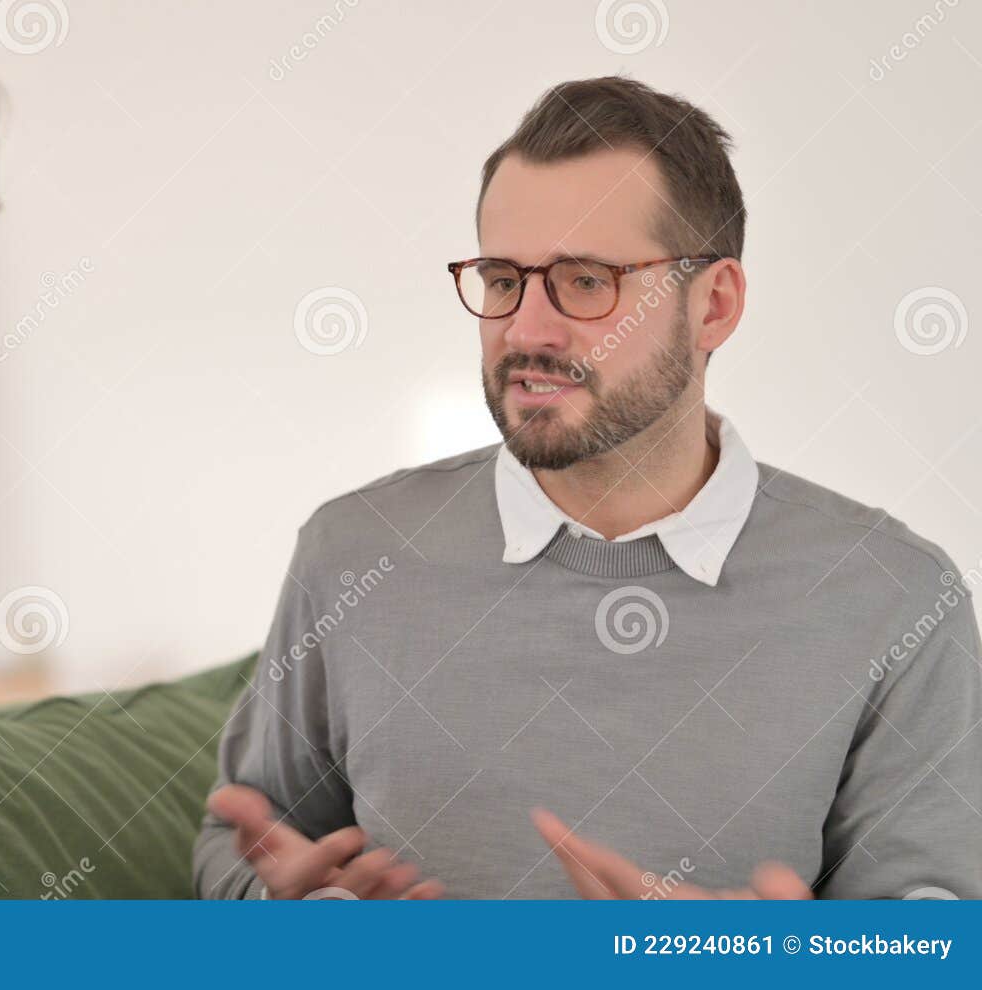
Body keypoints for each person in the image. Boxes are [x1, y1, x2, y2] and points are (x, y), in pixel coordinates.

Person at [195, 76, 981, 900]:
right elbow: (244, 838)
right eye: (503, 279)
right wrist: (285, 913)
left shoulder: (897, 598)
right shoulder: (352, 552)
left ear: (712, 306)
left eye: (585, 281)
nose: (527, 330)